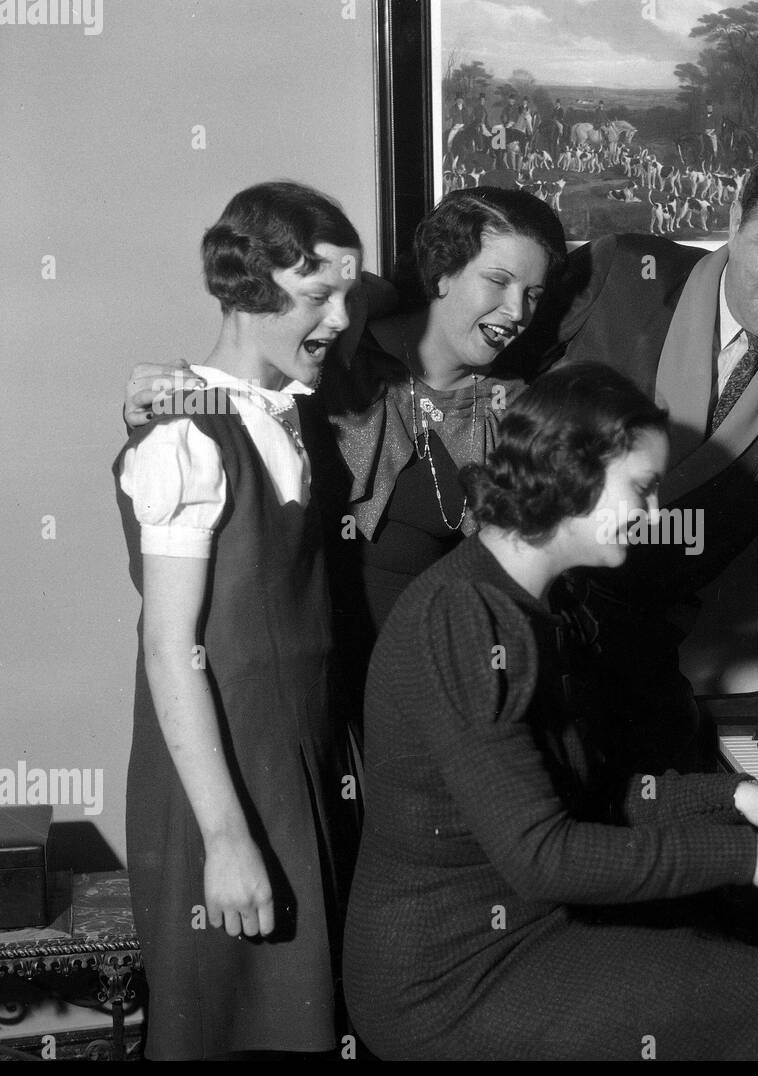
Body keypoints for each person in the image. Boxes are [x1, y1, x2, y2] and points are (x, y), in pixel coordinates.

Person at [342, 363, 758, 1060]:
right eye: (640, 487)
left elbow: (594, 794)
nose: (654, 511)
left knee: (744, 953)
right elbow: (545, 855)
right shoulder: (462, 616)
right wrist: (753, 856)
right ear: (568, 470)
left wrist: (741, 798)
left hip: (519, 926)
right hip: (447, 974)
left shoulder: (536, 597)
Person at [499, 146, 758, 777]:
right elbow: (491, 361)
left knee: (693, 826)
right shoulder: (623, 270)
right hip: (505, 612)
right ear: (733, 220)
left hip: (635, 643)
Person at [124, 188, 568, 731]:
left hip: (452, 704)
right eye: (498, 281)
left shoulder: (513, 407)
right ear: (444, 272)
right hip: (330, 703)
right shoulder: (337, 362)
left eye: (534, 293)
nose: (517, 310)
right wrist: (154, 404)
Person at [112, 181, 363, 1059]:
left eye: (348, 294)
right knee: (222, 1027)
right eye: (317, 293)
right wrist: (225, 838)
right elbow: (168, 651)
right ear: (248, 287)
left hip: (301, 765)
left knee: (299, 1015)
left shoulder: (289, 415)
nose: (338, 318)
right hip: (222, 780)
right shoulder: (186, 433)